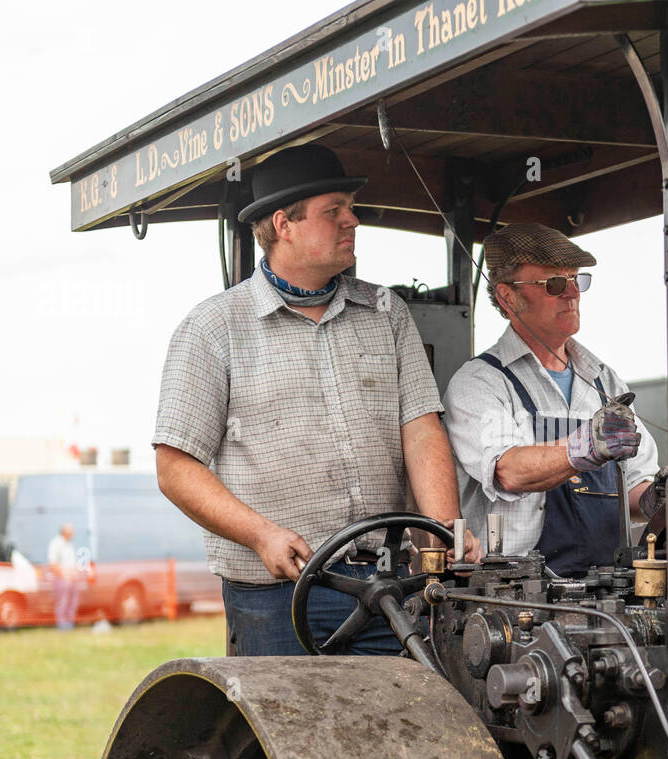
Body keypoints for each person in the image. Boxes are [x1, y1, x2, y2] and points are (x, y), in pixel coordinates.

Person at [153, 143, 480, 657]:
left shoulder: (385, 312)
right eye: (334, 211)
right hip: (279, 601)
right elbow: (174, 466)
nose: (352, 220)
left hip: (392, 589)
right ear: (284, 225)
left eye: (350, 208)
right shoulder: (214, 328)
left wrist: (443, 536)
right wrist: (261, 535)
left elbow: (420, 428)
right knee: (293, 739)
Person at [443, 223, 660, 576]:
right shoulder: (481, 381)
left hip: (607, 589)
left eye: (577, 279)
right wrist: (586, 445)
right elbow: (508, 470)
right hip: (517, 596)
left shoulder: (604, 380)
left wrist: (656, 500)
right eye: (554, 284)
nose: (572, 293)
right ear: (507, 296)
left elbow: (634, 484)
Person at [47, 524, 82, 630]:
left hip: (72, 579)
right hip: (62, 579)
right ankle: (62, 626)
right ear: (65, 532)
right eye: (71, 532)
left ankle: (70, 624)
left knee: (72, 602)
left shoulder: (69, 544)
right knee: (62, 602)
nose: (73, 534)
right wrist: (64, 576)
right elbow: (53, 564)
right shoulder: (56, 543)